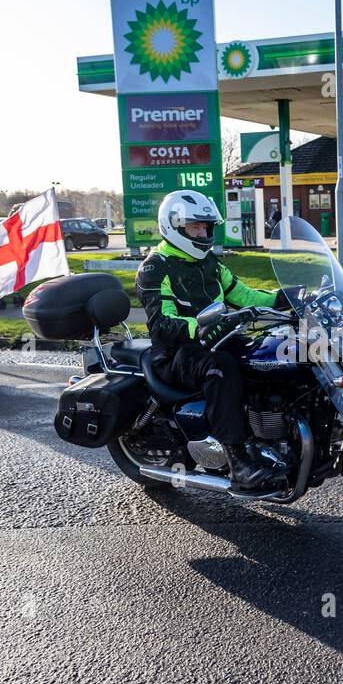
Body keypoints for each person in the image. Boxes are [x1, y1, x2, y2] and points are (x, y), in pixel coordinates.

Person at [135, 190, 289, 491]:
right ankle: (239, 463)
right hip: (177, 354)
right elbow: (162, 324)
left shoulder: (211, 264)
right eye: (196, 227)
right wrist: (201, 328)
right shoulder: (156, 268)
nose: (203, 233)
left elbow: (245, 296)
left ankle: (275, 435)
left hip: (218, 340)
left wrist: (289, 297)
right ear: (175, 226)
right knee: (223, 368)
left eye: (207, 227)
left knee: (272, 355)